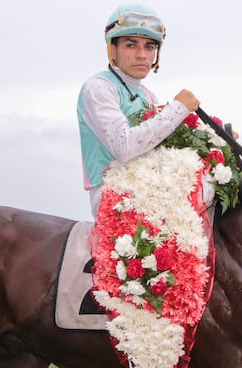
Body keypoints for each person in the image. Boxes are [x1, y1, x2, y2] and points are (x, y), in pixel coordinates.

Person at [77, 4, 200, 216]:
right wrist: (178, 109)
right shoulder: (98, 87)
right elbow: (124, 147)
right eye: (131, 45)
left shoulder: (149, 96)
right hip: (113, 197)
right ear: (112, 49)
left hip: (153, 190)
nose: (142, 55)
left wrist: (215, 143)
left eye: (150, 47)